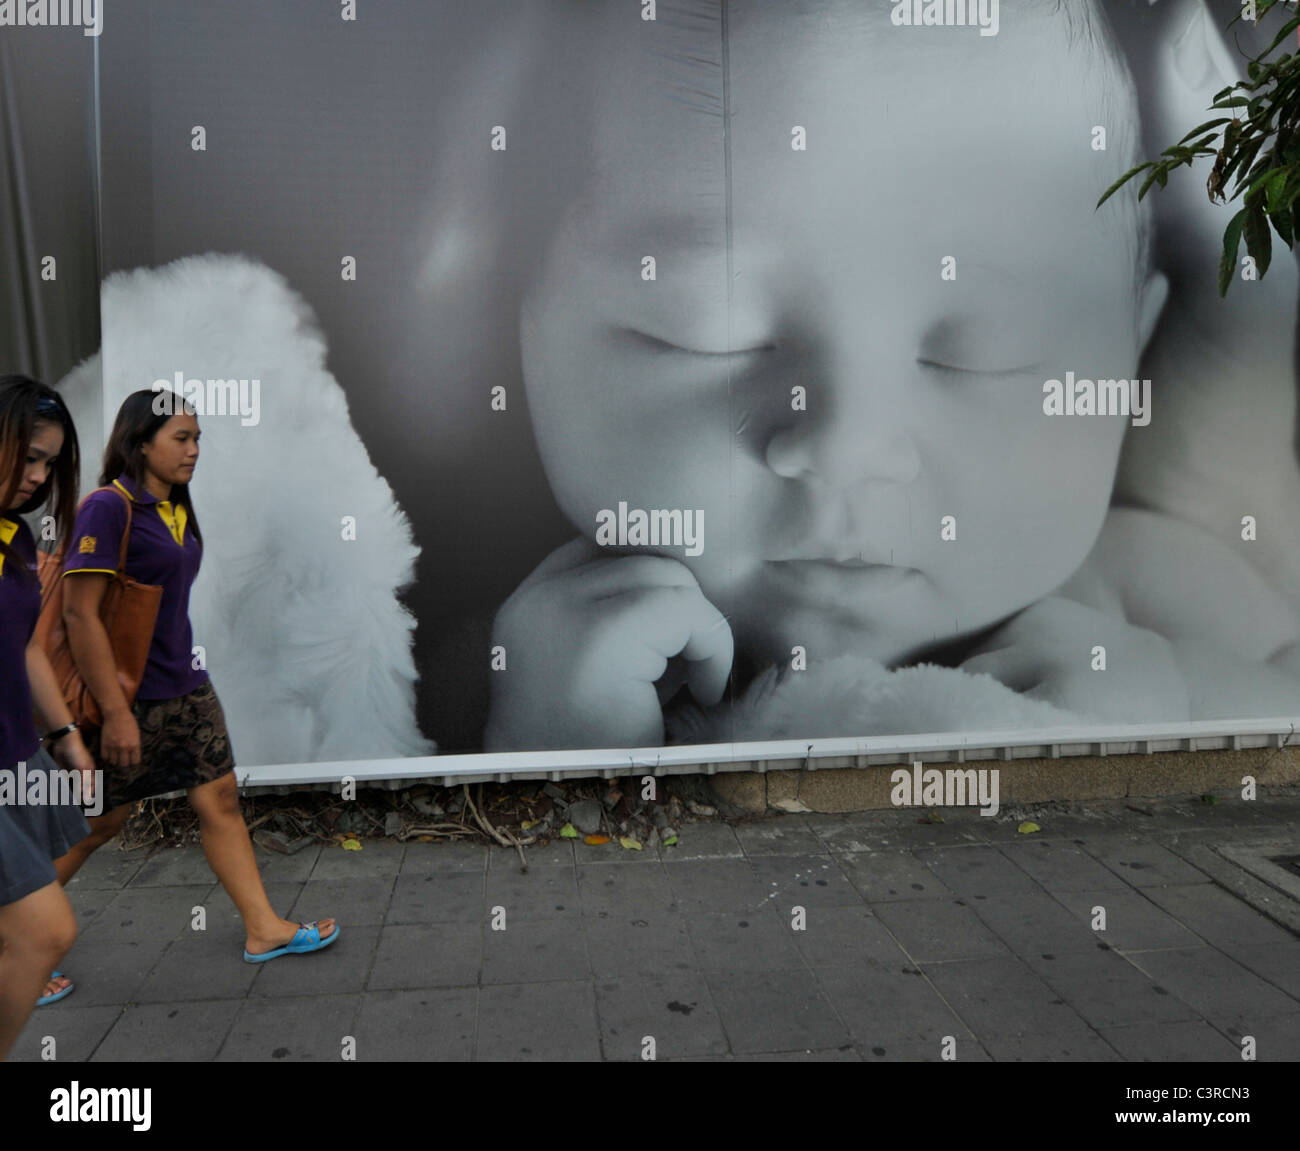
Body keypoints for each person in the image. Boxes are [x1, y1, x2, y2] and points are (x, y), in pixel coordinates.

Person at [449, 0, 1216, 751]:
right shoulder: (454, 660)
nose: (847, 444)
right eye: (708, 332)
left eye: (985, 349)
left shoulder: (1188, 610)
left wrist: (1133, 751)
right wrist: (549, 750)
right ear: (524, 328)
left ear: (1129, 362)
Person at [40, 388, 337, 1004]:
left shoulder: (174, 508)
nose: (195, 450)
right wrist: (118, 716)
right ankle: (14, 941)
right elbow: (79, 616)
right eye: (182, 438)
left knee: (220, 797)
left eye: (198, 438)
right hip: (126, 701)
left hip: (186, 687)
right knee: (98, 823)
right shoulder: (107, 508)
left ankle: (264, 929)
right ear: (139, 441)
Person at [0, 376, 94, 1058]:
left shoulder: (18, 541)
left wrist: (65, 736)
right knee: (46, 930)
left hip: (15, 756)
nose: (37, 477)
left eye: (48, 464)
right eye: (28, 456)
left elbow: (30, 644)